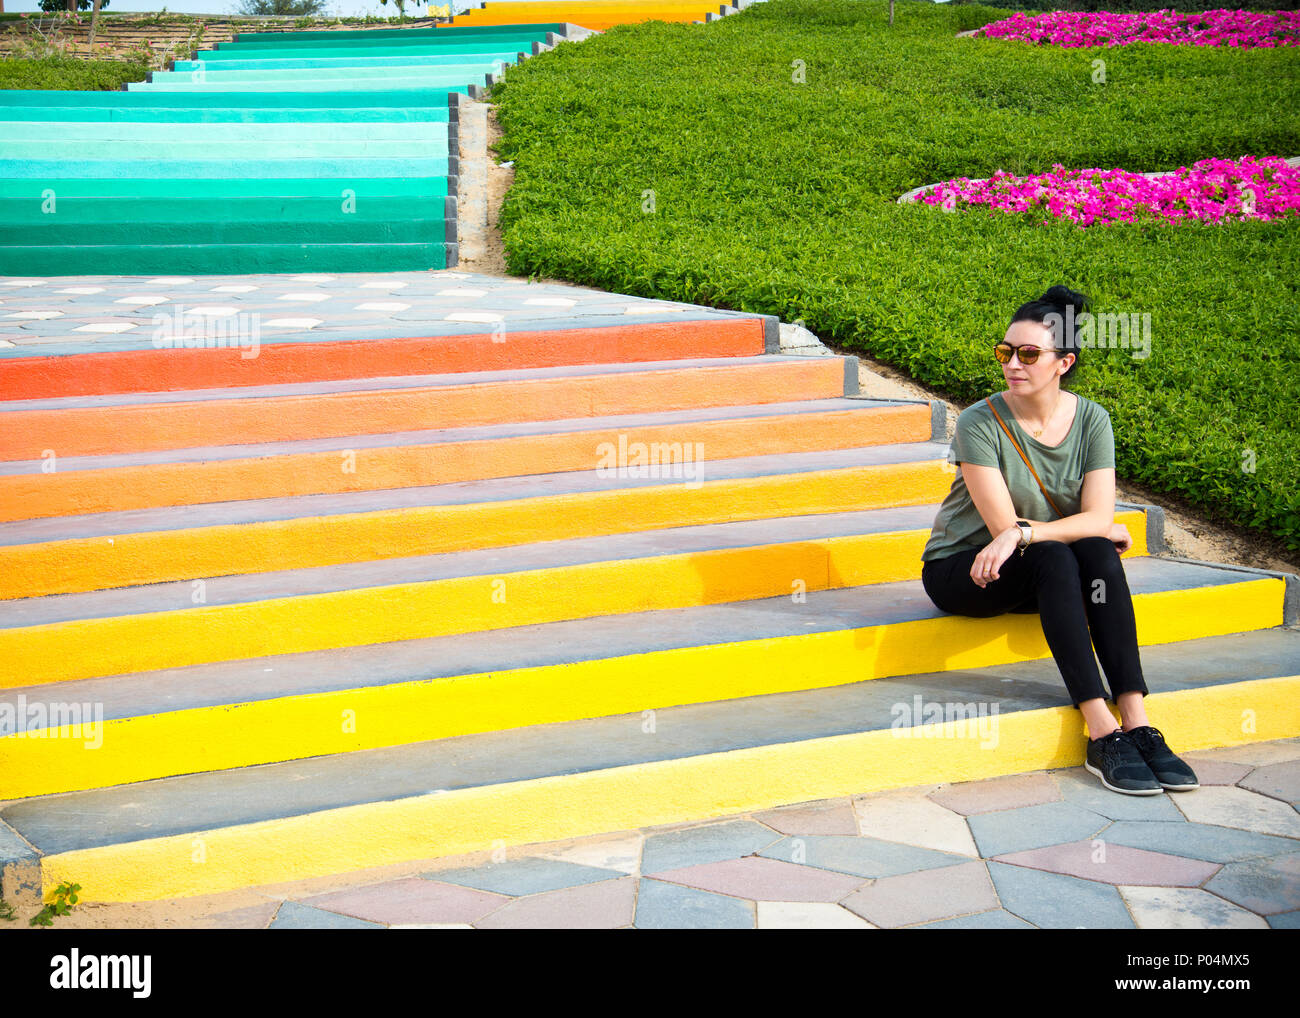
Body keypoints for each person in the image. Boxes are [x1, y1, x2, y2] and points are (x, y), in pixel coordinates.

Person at [919, 285, 1197, 796]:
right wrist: (1081, 526)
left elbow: (1091, 522)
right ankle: (1101, 729)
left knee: (1089, 549)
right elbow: (1011, 530)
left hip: (1051, 570)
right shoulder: (979, 422)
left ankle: (1137, 720)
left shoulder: (1092, 419)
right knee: (1064, 547)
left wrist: (1069, 528)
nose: (1012, 364)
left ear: (1063, 362)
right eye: (1006, 352)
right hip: (967, 572)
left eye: (1029, 354)